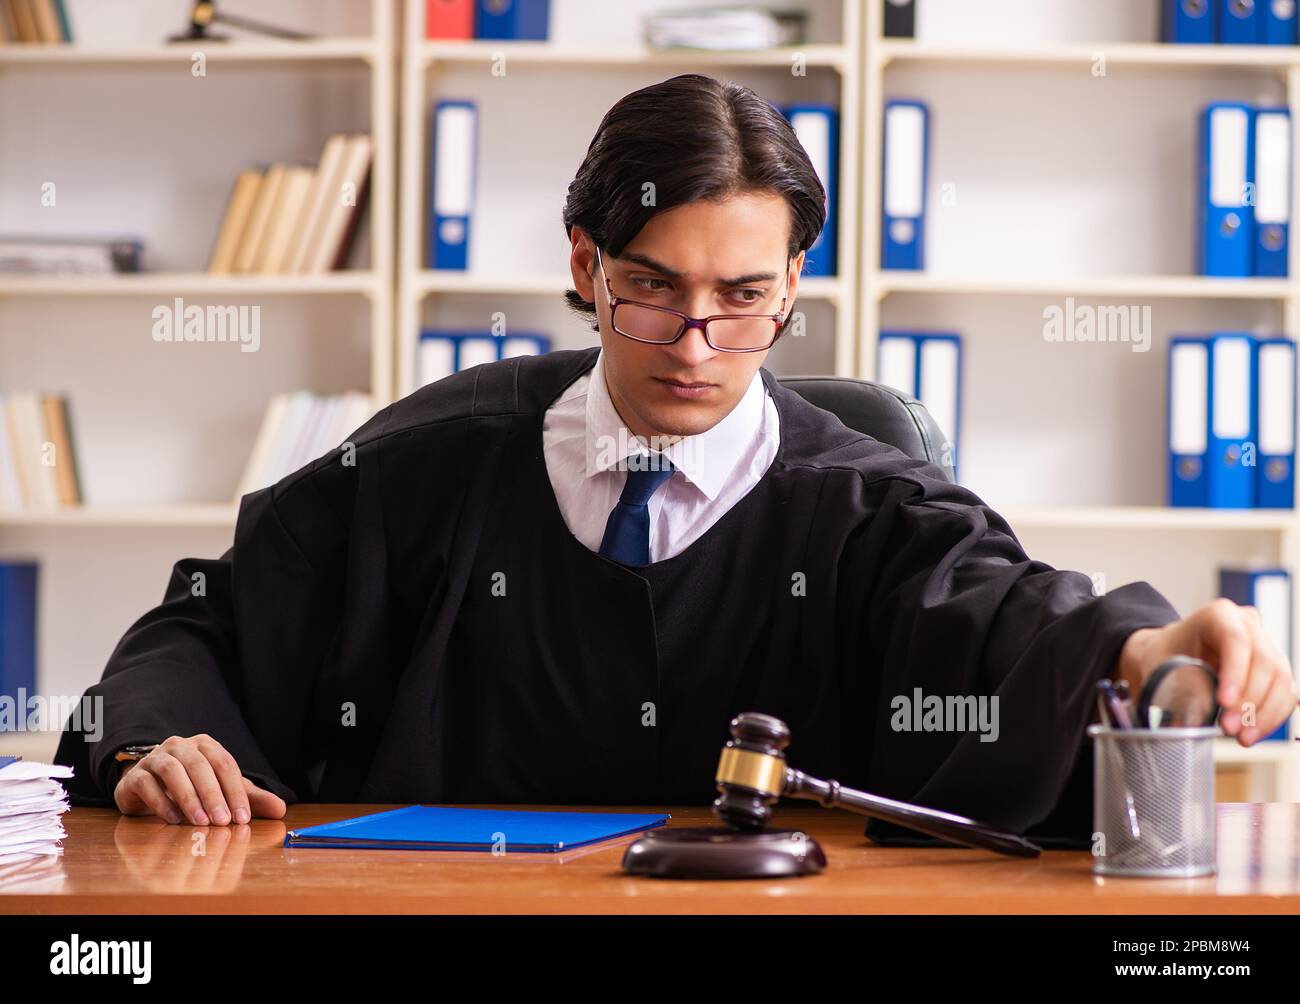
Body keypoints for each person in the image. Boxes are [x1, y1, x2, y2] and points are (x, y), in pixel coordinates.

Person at [56, 74, 1296, 844]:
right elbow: (197, 632)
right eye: (652, 290)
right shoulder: (425, 465)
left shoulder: (863, 503)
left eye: (744, 297)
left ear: (793, 285)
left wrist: (1146, 650)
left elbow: (1008, 621)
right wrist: (152, 740)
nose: (697, 345)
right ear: (588, 267)